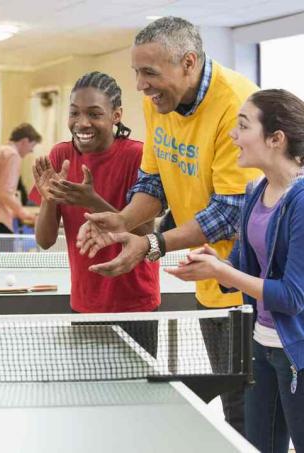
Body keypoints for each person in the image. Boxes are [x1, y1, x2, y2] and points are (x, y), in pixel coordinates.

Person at [75, 16, 261, 432]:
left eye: (149, 73)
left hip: (249, 290)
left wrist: (153, 244)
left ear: (189, 62)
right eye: (137, 73)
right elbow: (154, 181)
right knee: (234, 415)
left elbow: (229, 212)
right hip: (209, 282)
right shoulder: (158, 100)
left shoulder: (236, 106)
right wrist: (121, 219)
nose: (140, 85)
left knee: (247, 416)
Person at [166, 89, 304, 453]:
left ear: (276, 139)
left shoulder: (302, 201)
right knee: (258, 447)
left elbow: (291, 297)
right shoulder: (254, 191)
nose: (232, 136)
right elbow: (248, 271)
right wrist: (216, 266)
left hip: (297, 354)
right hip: (262, 345)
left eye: (242, 126)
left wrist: (223, 273)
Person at [32, 72, 160, 355]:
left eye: (94, 114)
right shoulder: (60, 155)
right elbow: (44, 239)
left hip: (134, 304)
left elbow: (146, 236)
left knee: (137, 395)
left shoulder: (138, 156)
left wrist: (93, 200)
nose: (82, 123)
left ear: (116, 115)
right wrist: (49, 198)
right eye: (75, 113)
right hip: (84, 301)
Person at [0, 123, 42, 233]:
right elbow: (5, 192)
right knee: (4, 250)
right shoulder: (12, 155)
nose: (31, 151)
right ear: (25, 141)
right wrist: (23, 213)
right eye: (32, 146)